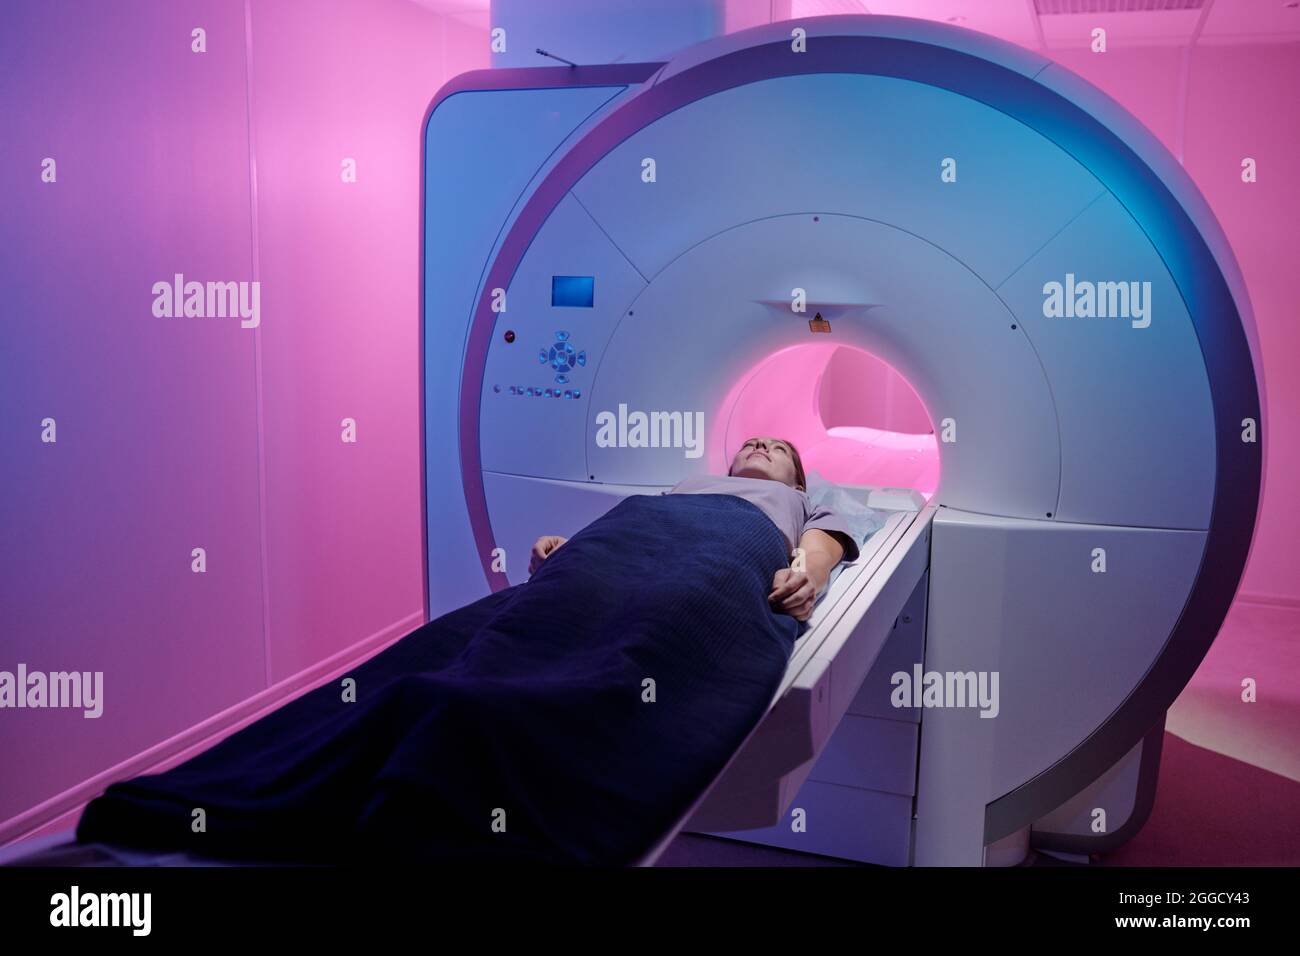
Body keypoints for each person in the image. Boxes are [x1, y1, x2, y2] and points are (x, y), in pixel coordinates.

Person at [530, 436, 859, 622]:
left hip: (727, 541)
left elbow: (815, 553)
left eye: (778, 449)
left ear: (798, 483)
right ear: (729, 471)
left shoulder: (802, 503)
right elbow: (630, 527)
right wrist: (574, 549)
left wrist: (805, 580)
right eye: (751, 444)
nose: (760, 446)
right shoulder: (688, 485)